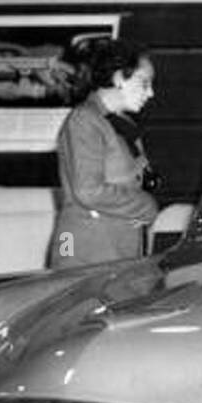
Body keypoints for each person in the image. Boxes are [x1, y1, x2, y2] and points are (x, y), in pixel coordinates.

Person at [48, 38, 159, 269]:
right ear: (119, 79)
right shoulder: (84, 121)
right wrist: (146, 205)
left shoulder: (120, 123)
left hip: (118, 248)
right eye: (145, 83)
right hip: (87, 253)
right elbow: (89, 191)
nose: (151, 93)